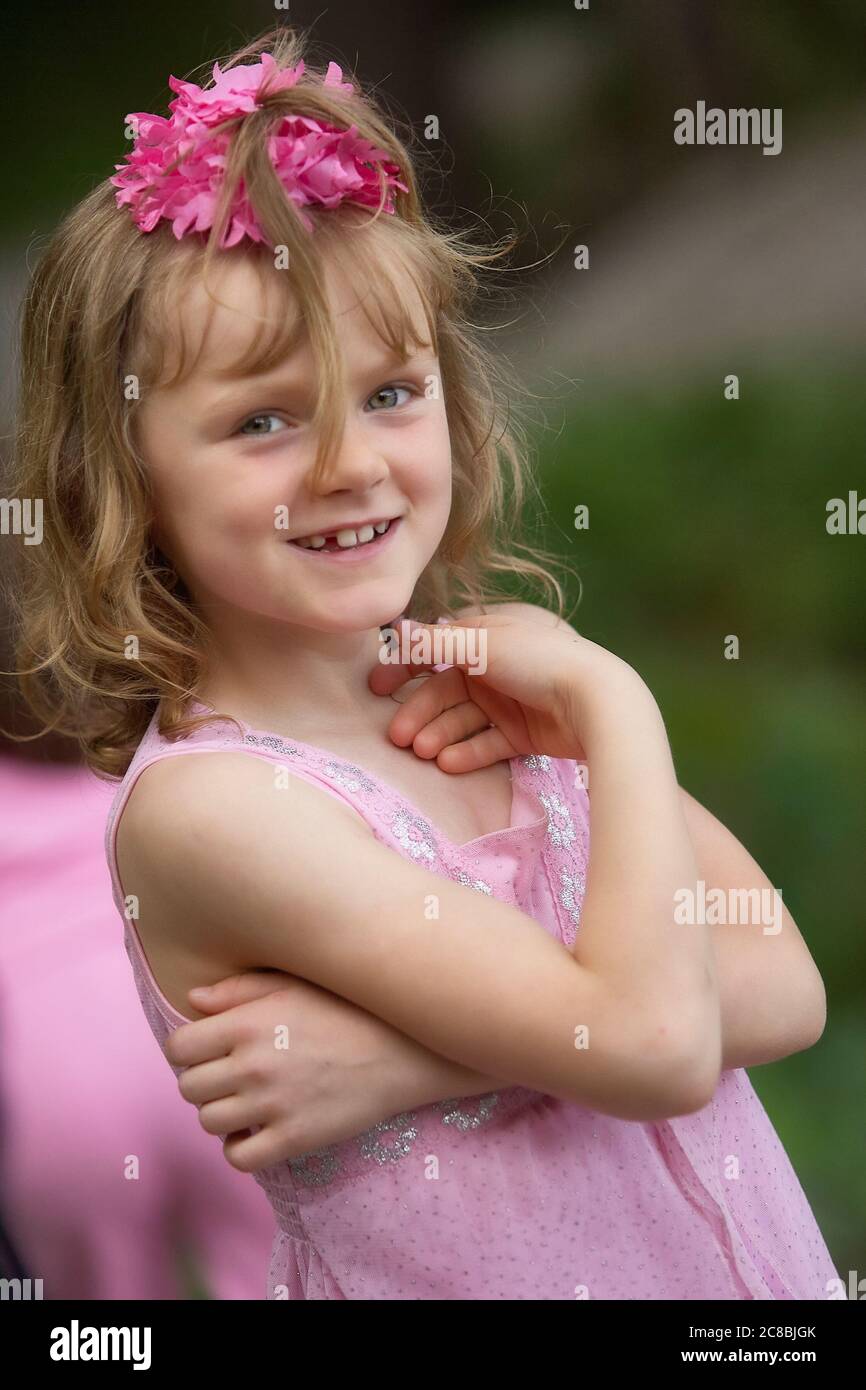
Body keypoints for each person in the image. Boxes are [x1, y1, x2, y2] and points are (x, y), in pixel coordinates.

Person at [5, 24, 837, 1300]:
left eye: (389, 394)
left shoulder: (488, 691)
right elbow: (659, 1045)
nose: (347, 463)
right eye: (262, 420)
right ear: (120, 476)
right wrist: (614, 704)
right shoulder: (219, 808)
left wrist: (413, 1064)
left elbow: (780, 977)